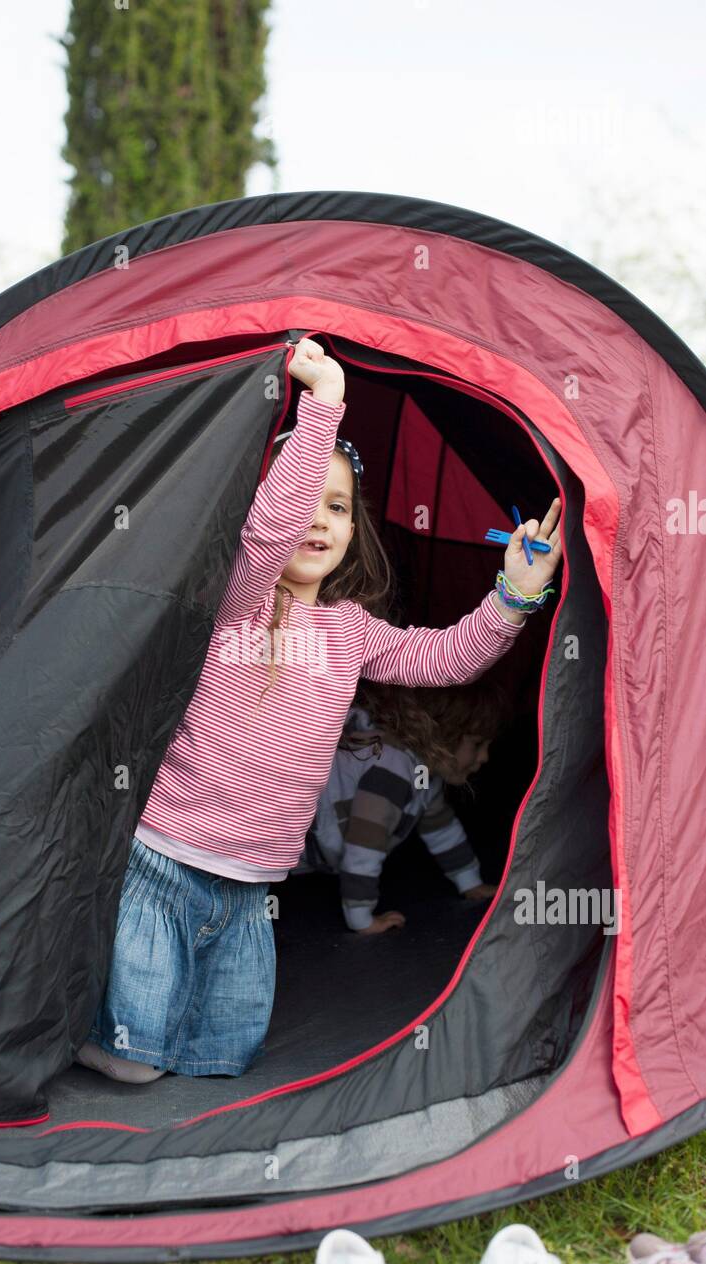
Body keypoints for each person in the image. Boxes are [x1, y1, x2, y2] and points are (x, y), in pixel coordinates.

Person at [78, 336, 561, 1085]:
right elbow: (268, 533)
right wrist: (323, 406)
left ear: (352, 530)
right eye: (304, 498)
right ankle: (112, 1044)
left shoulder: (349, 631)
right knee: (136, 1051)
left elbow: (447, 659)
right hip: (167, 853)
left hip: (255, 879)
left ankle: (165, 1049)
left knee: (225, 1053)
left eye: (336, 506)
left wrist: (514, 595)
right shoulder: (241, 602)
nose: (316, 518)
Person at [290, 678, 508, 935]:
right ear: (442, 733)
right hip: (286, 837)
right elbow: (364, 845)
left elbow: (440, 826)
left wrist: (470, 882)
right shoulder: (392, 769)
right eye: (477, 744)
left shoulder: (422, 773)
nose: (484, 757)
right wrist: (361, 916)